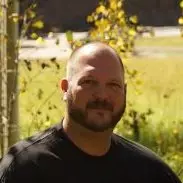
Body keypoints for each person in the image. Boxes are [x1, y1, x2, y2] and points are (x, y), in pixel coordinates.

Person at [0, 42, 181, 183]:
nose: (102, 95)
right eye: (88, 82)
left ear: (124, 92)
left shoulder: (151, 173)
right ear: (65, 88)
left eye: (113, 85)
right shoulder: (23, 169)